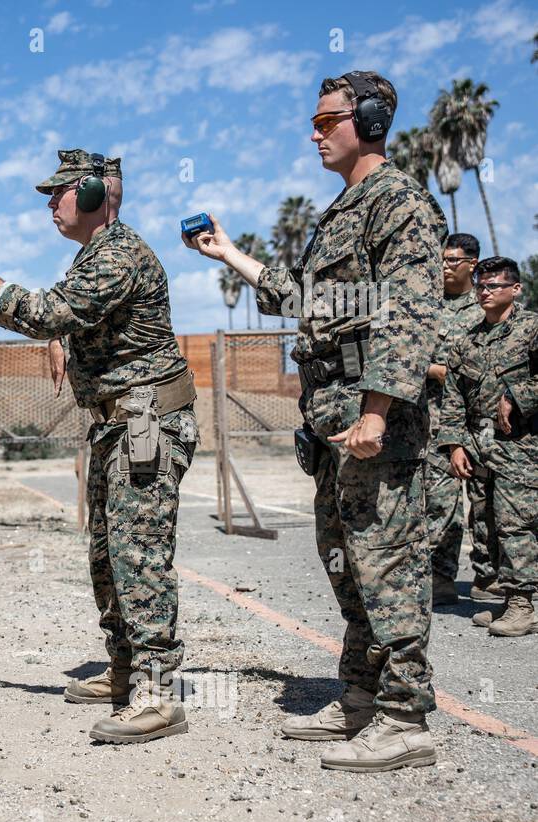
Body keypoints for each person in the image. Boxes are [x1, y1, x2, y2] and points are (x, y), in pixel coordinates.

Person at [184, 71, 446, 772]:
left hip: (372, 426)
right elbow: (305, 300)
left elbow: (410, 315)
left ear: (367, 119)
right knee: (349, 567)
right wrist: (230, 254)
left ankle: (405, 718)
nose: (314, 132)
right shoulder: (345, 211)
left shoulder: (399, 204)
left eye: (326, 120)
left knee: (386, 565)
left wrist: (376, 413)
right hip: (333, 425)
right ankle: (362, 696)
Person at [0, 149, 198, 745]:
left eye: (58, 194)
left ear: (89, 196)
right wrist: (64, 338)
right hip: (119, 425)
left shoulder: (117, 254)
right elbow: (71, 319)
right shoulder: (94, 258)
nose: (51, 205)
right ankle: (127, 671)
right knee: (107, 555)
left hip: (145, 422)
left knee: (139, 557)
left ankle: (161, 694)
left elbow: (41, 311)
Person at [440, 257, 538, 637]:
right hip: (479, 449)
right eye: (481, 285)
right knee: (487, 524)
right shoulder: (468, 341)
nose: (484, 291)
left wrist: (518, 394)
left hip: (521, 446)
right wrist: (454, 446)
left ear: (515, 289)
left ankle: (522, 605)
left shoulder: (531, 328)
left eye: (494, 286)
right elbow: (452, 398)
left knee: (517, 525)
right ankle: (505, 598)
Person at [427, 234, 487, 605]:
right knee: (441, 503)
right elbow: (408, 356)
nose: (446, 266)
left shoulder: (487, 306)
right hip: (435, 420)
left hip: (482, 422)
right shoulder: (427, 306)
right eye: (443, 260)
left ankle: (489, 575)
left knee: (486, 502)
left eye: (453, 260)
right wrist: (436, 371)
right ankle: (442, 577)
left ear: (472, 264)